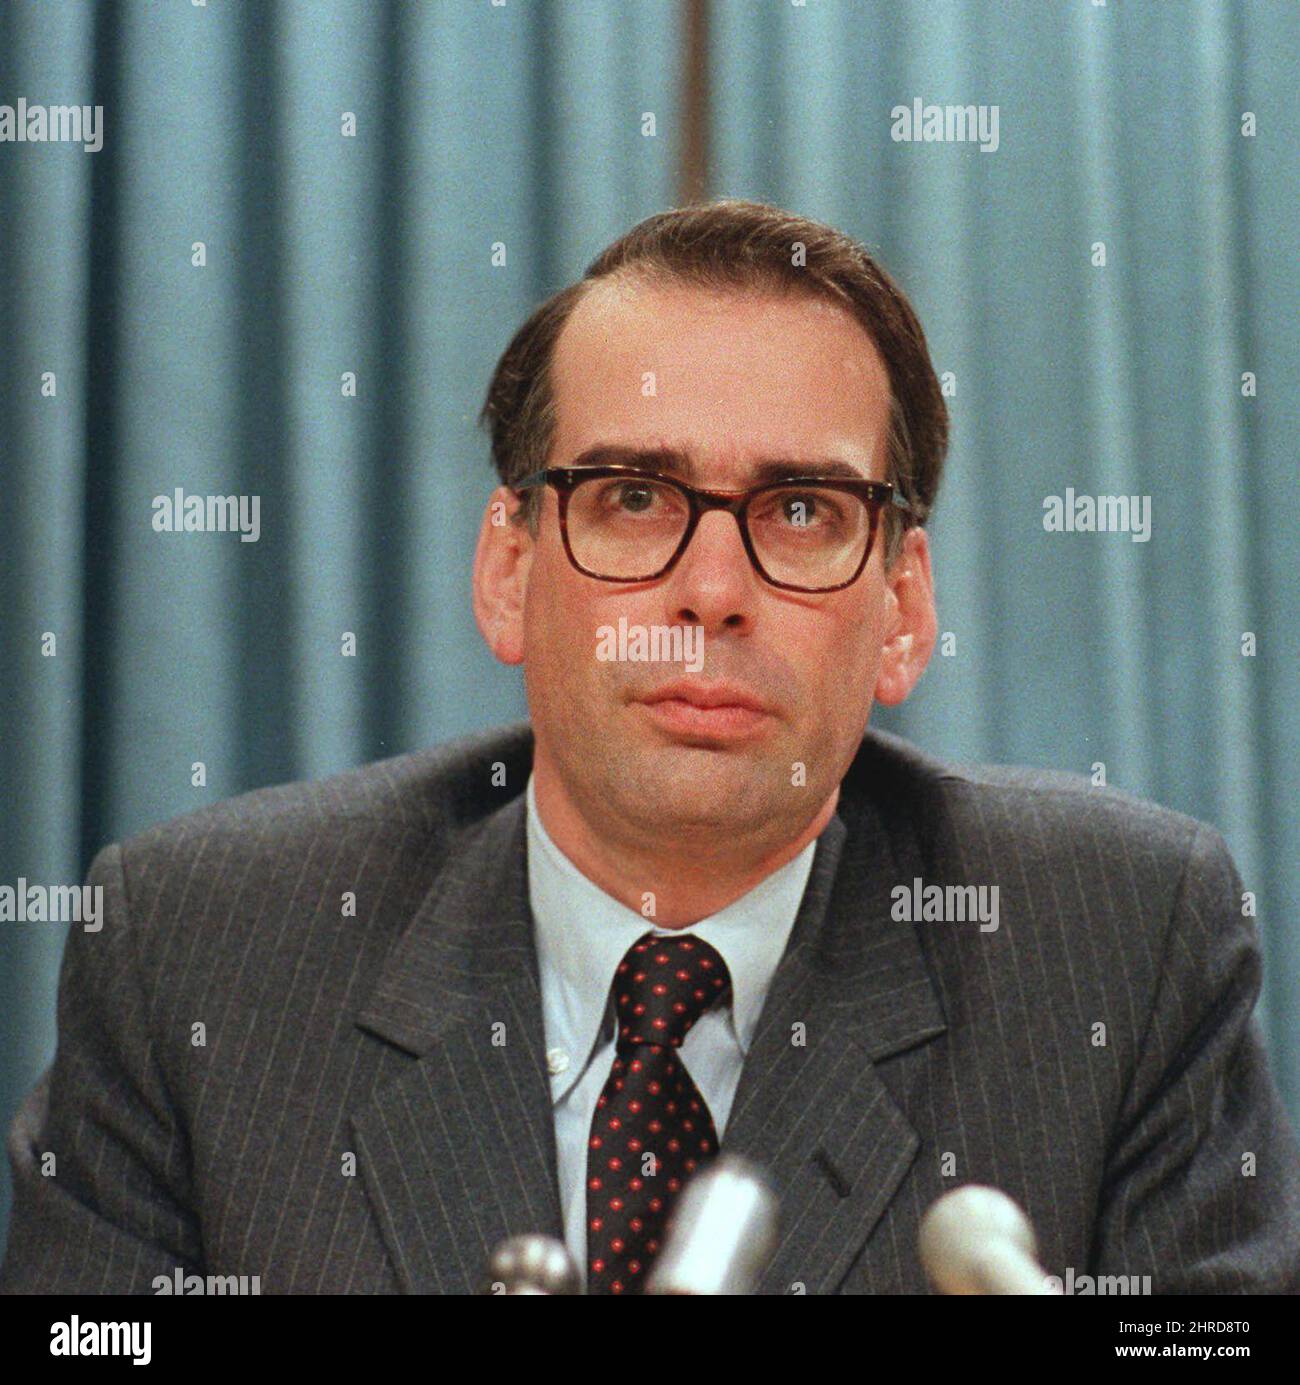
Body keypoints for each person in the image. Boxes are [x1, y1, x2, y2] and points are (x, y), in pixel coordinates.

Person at [4, 200, 1298, 1296]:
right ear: (509, 569)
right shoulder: (198, 956)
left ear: (903, 606)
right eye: (634, 498)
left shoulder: (1119, 952)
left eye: (801, 508)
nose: (713, 590)